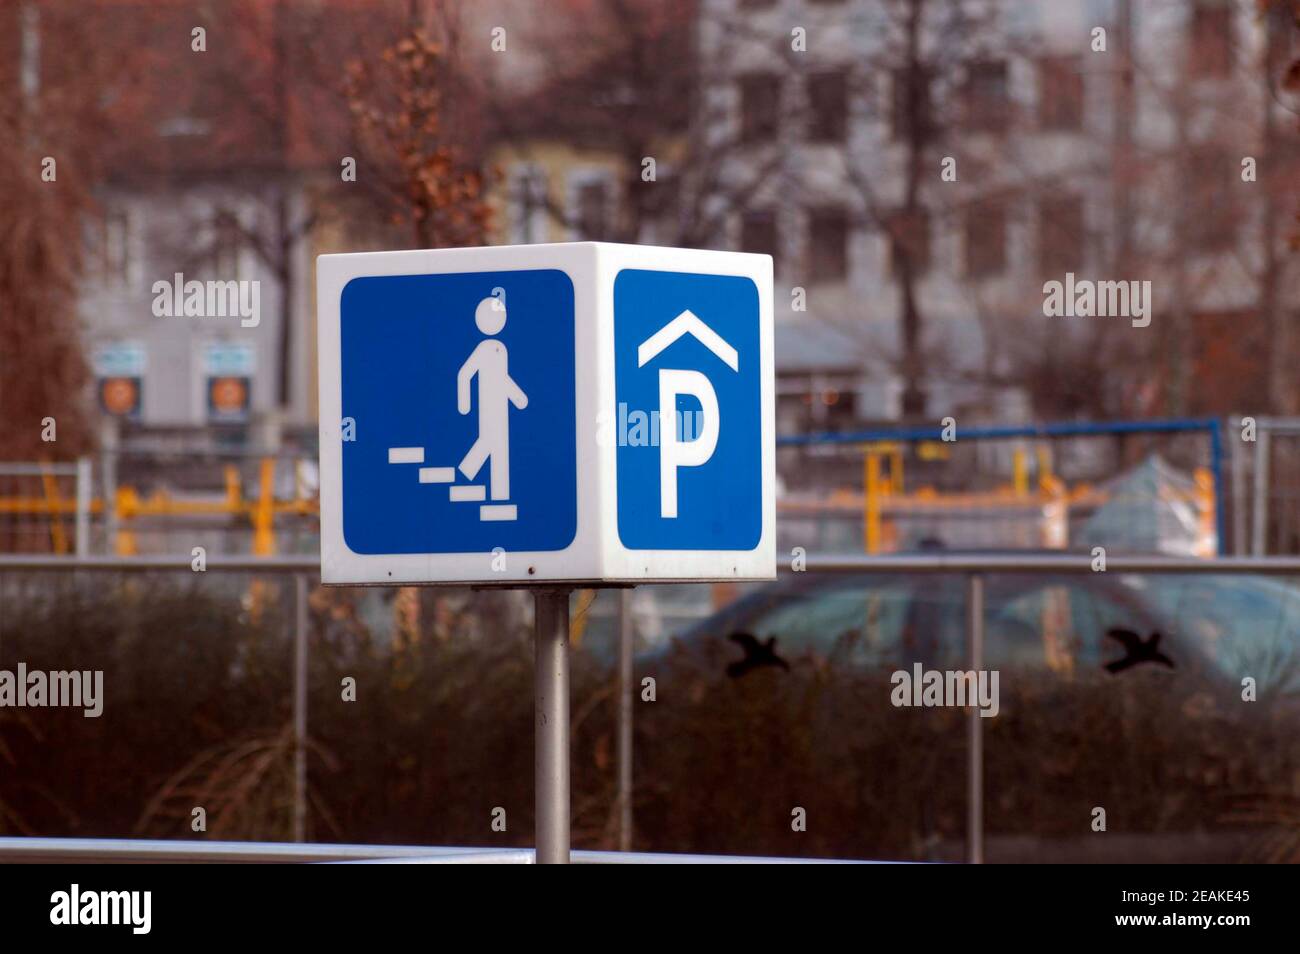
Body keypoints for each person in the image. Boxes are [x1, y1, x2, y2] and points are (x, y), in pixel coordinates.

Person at [457, 296, 528, 501]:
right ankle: (466, 473)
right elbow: (465, 374)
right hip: (488, 406)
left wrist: (516, 397)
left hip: (499, 408)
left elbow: (503, 378)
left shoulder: (500, 349)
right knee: (490, 442)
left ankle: (500, 495)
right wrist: (464, 403)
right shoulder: (484, 349)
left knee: (498, 447)